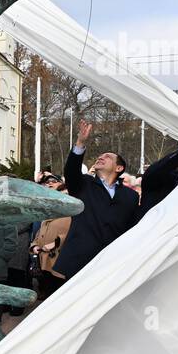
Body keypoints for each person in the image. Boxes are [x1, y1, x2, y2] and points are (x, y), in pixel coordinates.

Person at [53, 119, 139, 279]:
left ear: (119, 168)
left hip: (111, 264)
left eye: (107, 157)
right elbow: (71, 170)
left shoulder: (131, 196)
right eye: (99, 156)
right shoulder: (84, 184)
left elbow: (132, 229)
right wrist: (80, 142)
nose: (101, 157)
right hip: (79, 261)